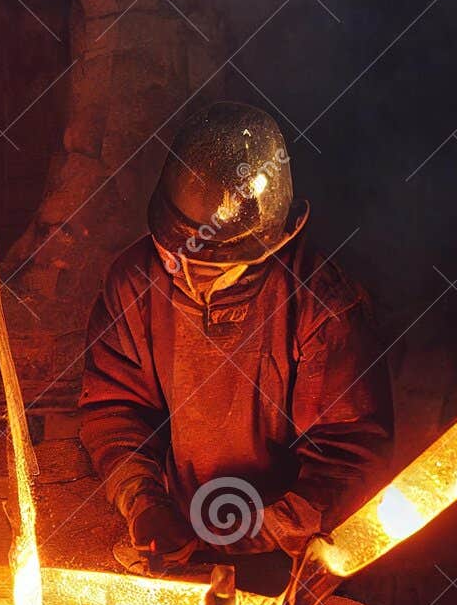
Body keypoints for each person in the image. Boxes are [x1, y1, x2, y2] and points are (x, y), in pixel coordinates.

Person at [79, 101, 393, 571]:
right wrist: (143, 502)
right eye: (171, 255)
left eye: (207, 266)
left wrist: (246, 536)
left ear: (267, 246)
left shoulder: (322, 307)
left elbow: (349, 457)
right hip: (176, 551)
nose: (183, 272)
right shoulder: (135, 283)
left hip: (292, 562)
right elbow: (114, 409)